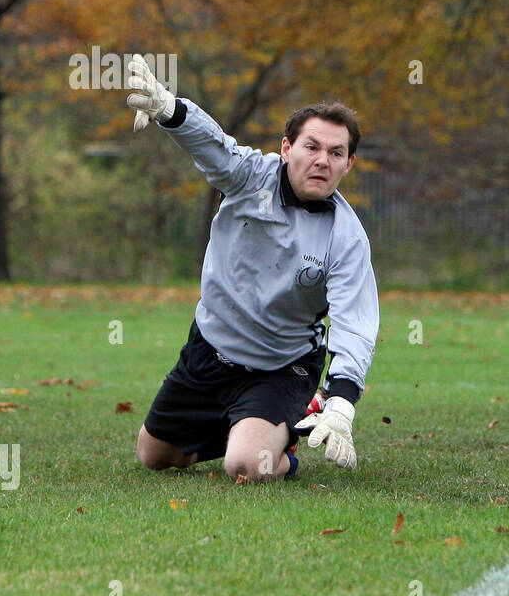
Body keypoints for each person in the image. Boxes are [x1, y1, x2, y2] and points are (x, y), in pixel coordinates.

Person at [123, 54, 378, 483]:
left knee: (245, 466)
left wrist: (341, 404)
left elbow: (356, 322)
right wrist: (170, 110)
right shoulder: (250, 178)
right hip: (210, 349)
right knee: (155, 456)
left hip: (281, 367)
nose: (322, 160)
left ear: (348, 164)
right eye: (311, 147)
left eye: (337, 153)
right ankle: (252, 429)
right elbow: (213, 145)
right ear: (286, 149)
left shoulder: (347, 238)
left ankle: (280, 442)